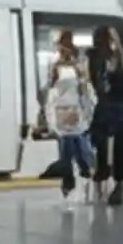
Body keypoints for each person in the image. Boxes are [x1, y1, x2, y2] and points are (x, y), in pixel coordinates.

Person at [88, 26, 123, 206]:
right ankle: (105, 175)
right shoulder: (96, 58)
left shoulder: (120, 59)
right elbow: (96, 81)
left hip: (117, 105)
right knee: (102, 141)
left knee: (116, 144)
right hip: (109, 105)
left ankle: (115, 181)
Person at [46, 31, 93, 197]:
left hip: (75, 107)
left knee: (72, 140)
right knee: (68, 141)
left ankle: (78, 171)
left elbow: (83, 87)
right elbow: (50, 86)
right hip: (61, 108)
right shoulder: (55, 64)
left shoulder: (79, 64)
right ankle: (76, 173)